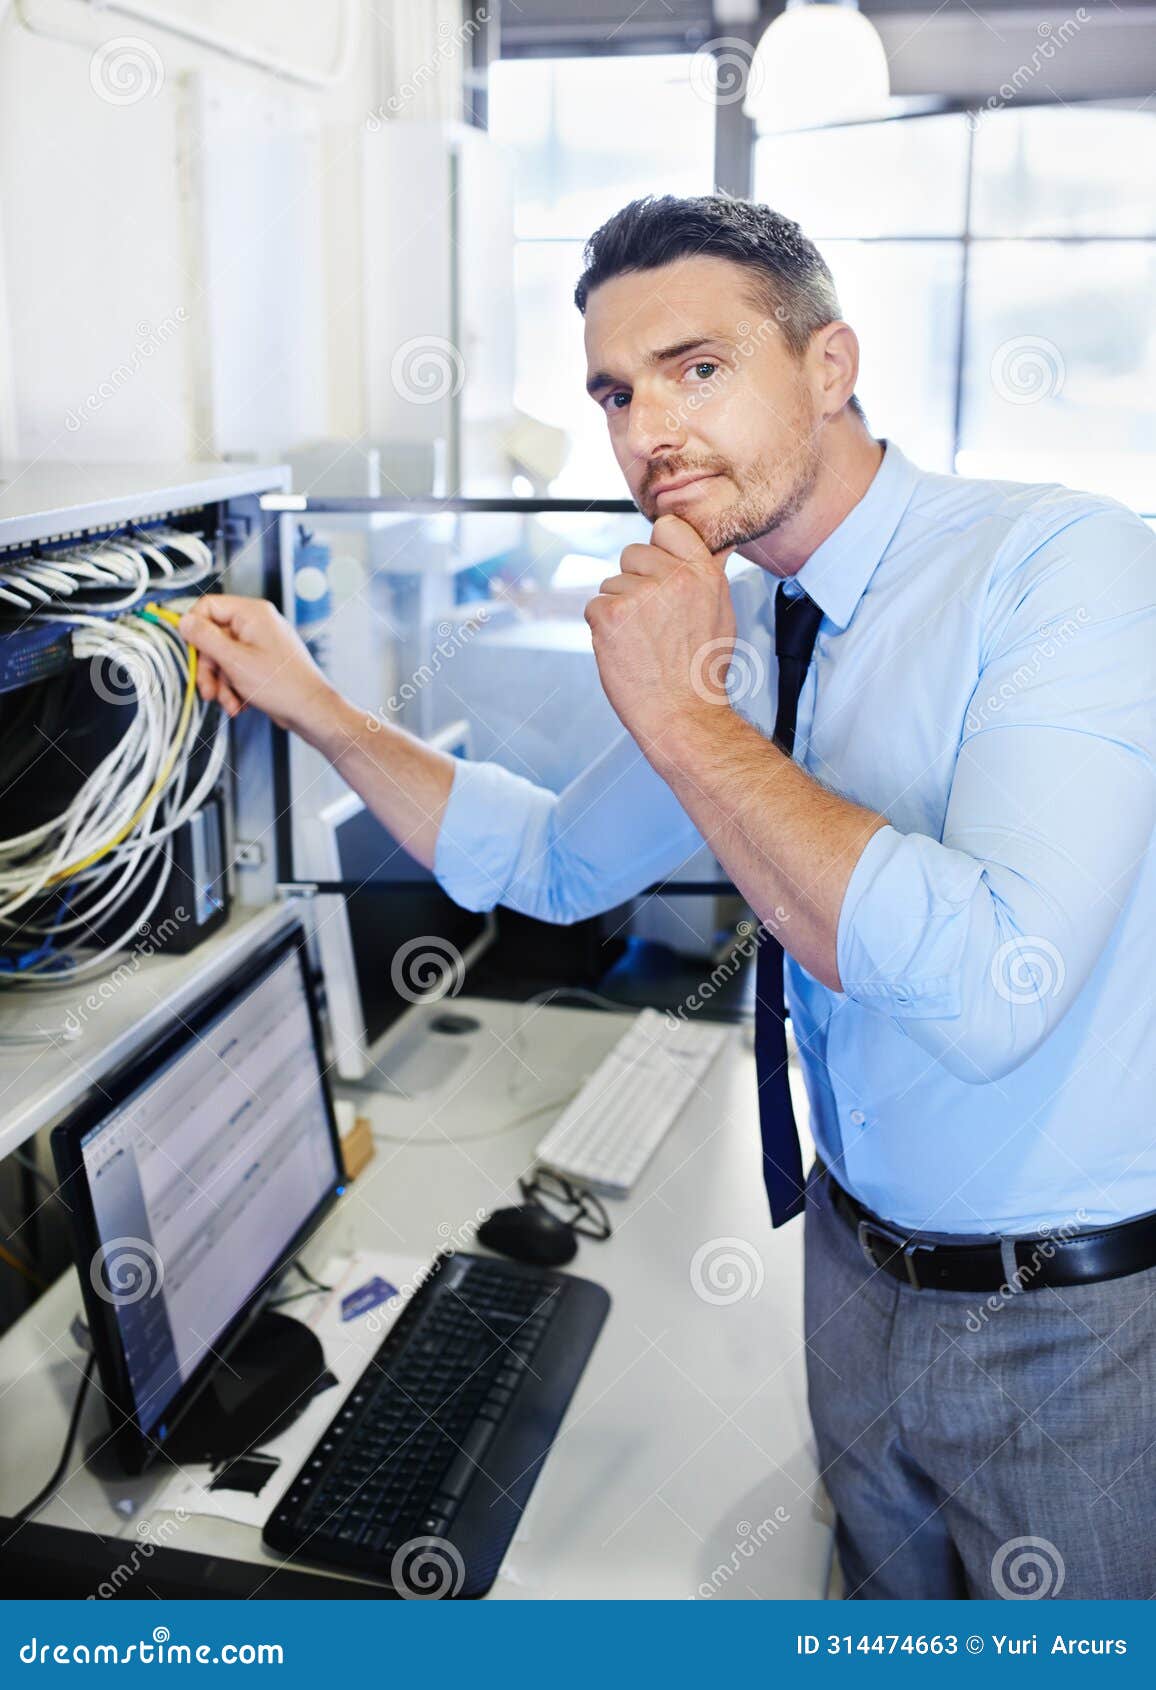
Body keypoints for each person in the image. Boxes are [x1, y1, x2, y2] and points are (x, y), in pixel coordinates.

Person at [180, 194, 1156, 1601]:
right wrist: (317, 706)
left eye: (699, 368)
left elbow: (993, 984)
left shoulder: (1063, 566)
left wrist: (687, 725)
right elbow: (555, 863)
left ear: (829, 367)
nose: (648, 432)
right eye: (616, 392)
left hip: (1069, 1322)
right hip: (850, 1269)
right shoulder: (744, 624)